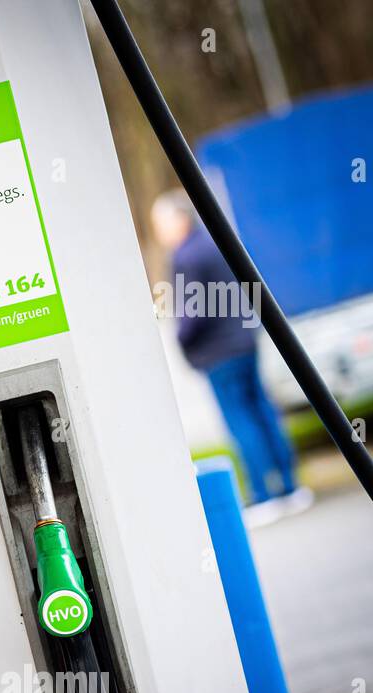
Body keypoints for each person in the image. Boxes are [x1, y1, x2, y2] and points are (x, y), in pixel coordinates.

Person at [151, 189, 312, 526]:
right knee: (263, 412)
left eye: (160, 224)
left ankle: (263, 495)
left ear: (178, 221)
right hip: (244, 343)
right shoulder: (215, 243)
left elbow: (193, 312)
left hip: (218, 353)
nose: (158, 232)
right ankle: (291, 487)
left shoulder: (185, 256)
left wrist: (176, 337)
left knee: (240, 421)